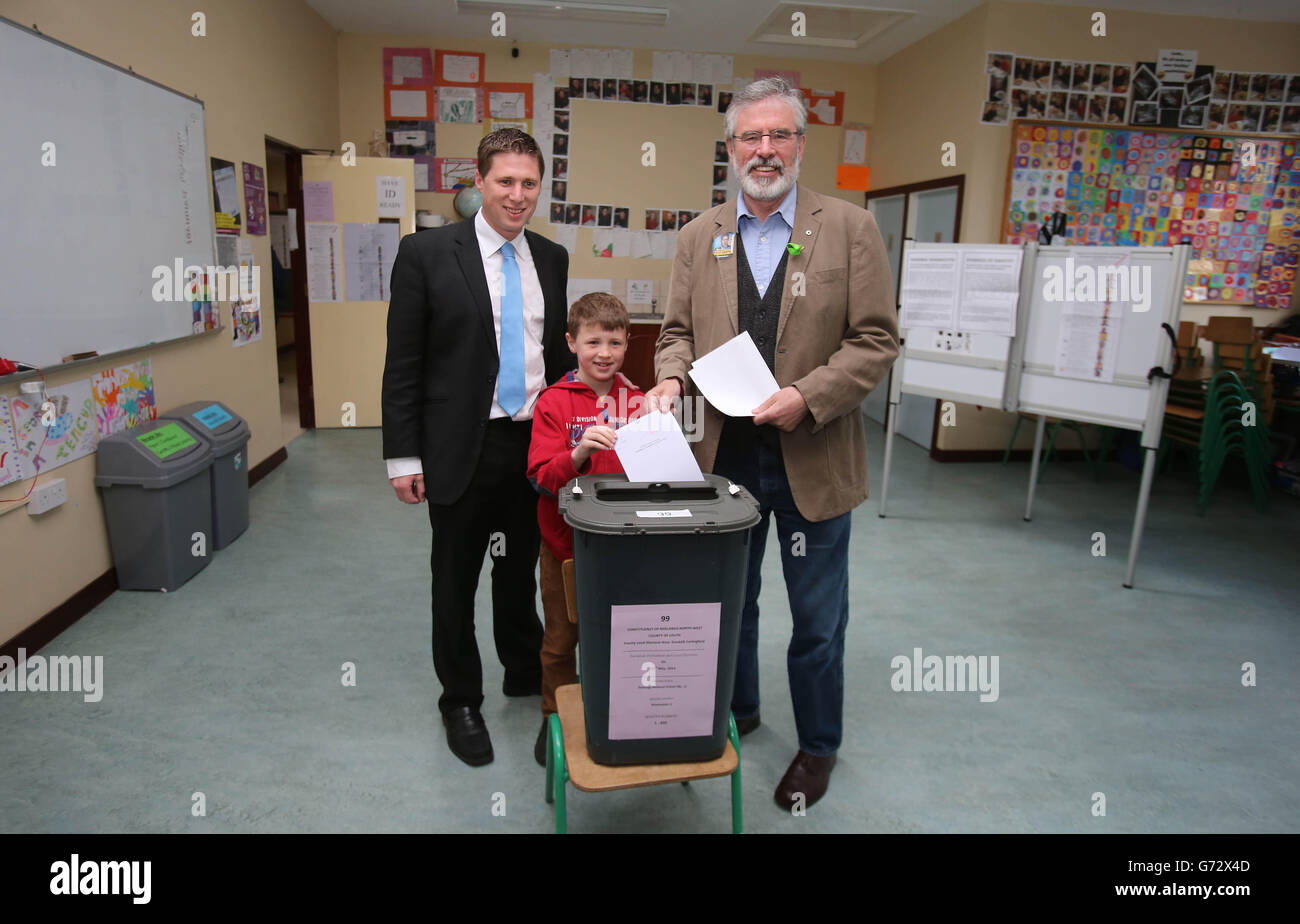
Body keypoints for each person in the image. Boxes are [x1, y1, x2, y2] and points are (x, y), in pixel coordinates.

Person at [646, 78, 899, 810]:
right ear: (730, 149)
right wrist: (667, 379)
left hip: (813, 456)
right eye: (749, 138)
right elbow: (676, 334)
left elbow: (876, 340)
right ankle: (742, 710)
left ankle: (818, 746)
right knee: (731, 602)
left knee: (817, 620)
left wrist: (809, 396)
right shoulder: (701, 236)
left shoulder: (849, 228)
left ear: (800, 143)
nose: (764, 150)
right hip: (723, 457)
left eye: (778, 135)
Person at [382, 128, 575, 767]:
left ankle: (523, 667)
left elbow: (554, 356)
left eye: (528, 183)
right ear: (479, 183)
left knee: (520, 568)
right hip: (462, 444)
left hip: (534, 447)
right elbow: (404, 363)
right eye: (505, 182)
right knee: (455, 576)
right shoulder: (427, 254)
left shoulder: (551, 257)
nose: (517, 196)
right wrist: (404, 456)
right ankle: (460, 699)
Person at [525, 292, 645, 765]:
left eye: (615, 342)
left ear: (626, 345)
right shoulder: (554, 402)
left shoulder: (637, 401)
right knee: (561, 639)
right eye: (593, 341)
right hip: (565, 549)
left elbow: (658, 474)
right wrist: (577, 455)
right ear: (572, 342)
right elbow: (540, 478)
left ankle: (614, 712)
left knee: (619, 635)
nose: (604, 353)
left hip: (625, 548)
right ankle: (554, 717)